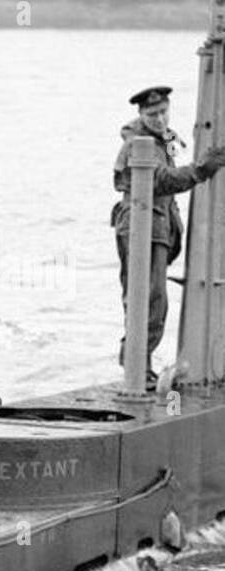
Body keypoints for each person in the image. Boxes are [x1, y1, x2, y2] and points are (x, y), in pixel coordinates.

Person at [112, 85, 225, 387]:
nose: (160, 120)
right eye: (152, 114)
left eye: (163, 112)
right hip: (141, 228)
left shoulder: (165, 137)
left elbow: (179, 149)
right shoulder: (137, 143)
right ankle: (134, 367)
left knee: (154, 300)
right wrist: (202, 169)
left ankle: (140, 366)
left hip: (158, 227)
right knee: (147, 300)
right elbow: (162, 179)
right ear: (141, 115)